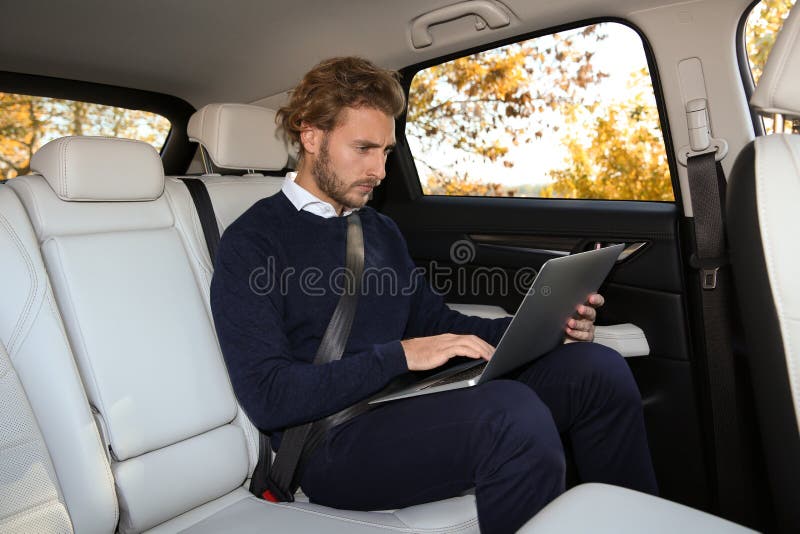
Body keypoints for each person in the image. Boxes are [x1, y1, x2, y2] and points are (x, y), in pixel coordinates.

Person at [210, 56, 657, 534]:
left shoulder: (378, 230)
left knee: (597, 370)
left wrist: (547, 328)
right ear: (312, 136)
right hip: (330, 443)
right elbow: (269, 397)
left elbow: (432, 321)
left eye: (385, 151)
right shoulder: (253, 242)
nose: (379, 170)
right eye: (362, 148)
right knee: (512, 416)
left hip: (405, 403)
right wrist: (399, 356)